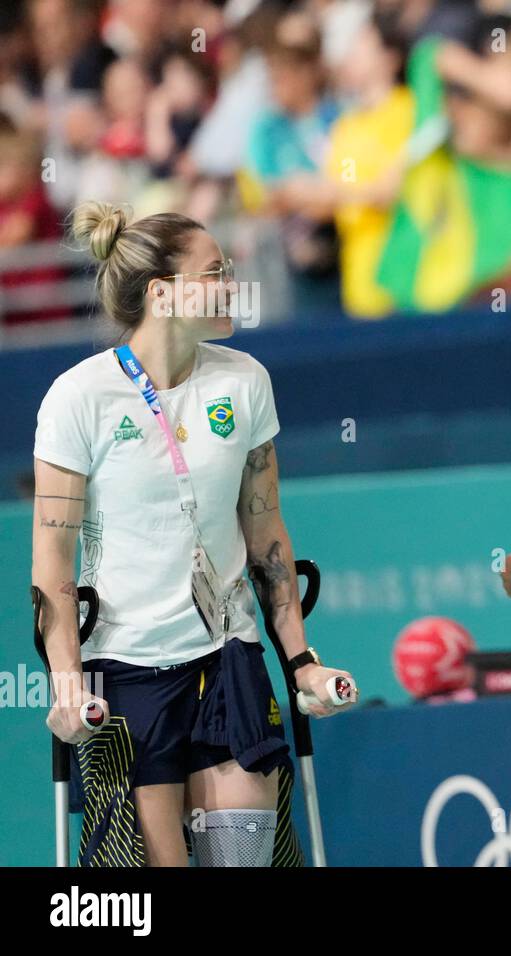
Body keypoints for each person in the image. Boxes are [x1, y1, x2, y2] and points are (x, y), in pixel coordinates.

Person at [32, 201, 356, 867]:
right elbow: (53, 561)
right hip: (127, 672)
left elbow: (266, 534)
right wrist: (66, 683)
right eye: (215, 271)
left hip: (230, 659)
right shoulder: (78, 398)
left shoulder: (245, 382)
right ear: (162, 293)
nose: (232, 282)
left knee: (241, 859)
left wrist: (300, 662)